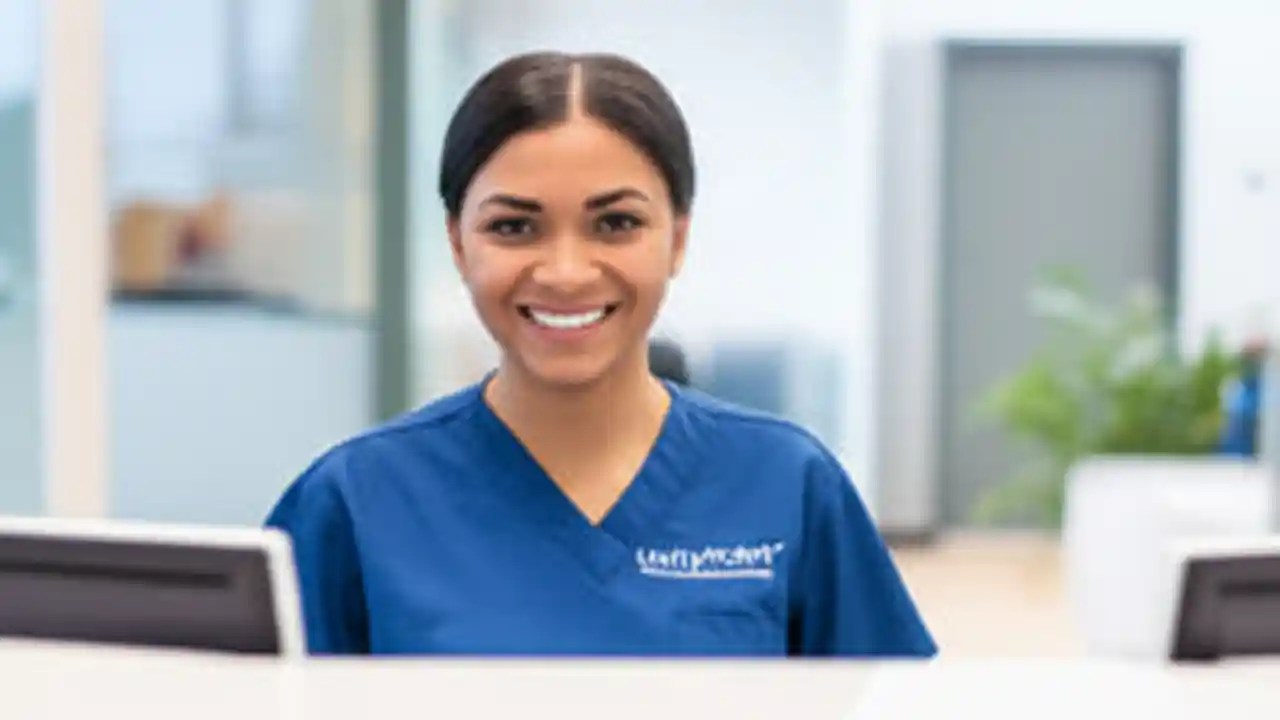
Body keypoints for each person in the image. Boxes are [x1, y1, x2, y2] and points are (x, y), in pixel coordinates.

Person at [266, 51, 935, 657]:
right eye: (514, 227)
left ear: (677, 238)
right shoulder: (356, 502)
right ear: (457, 242)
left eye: (615, 223)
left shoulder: (787, 484)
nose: (565, 271)